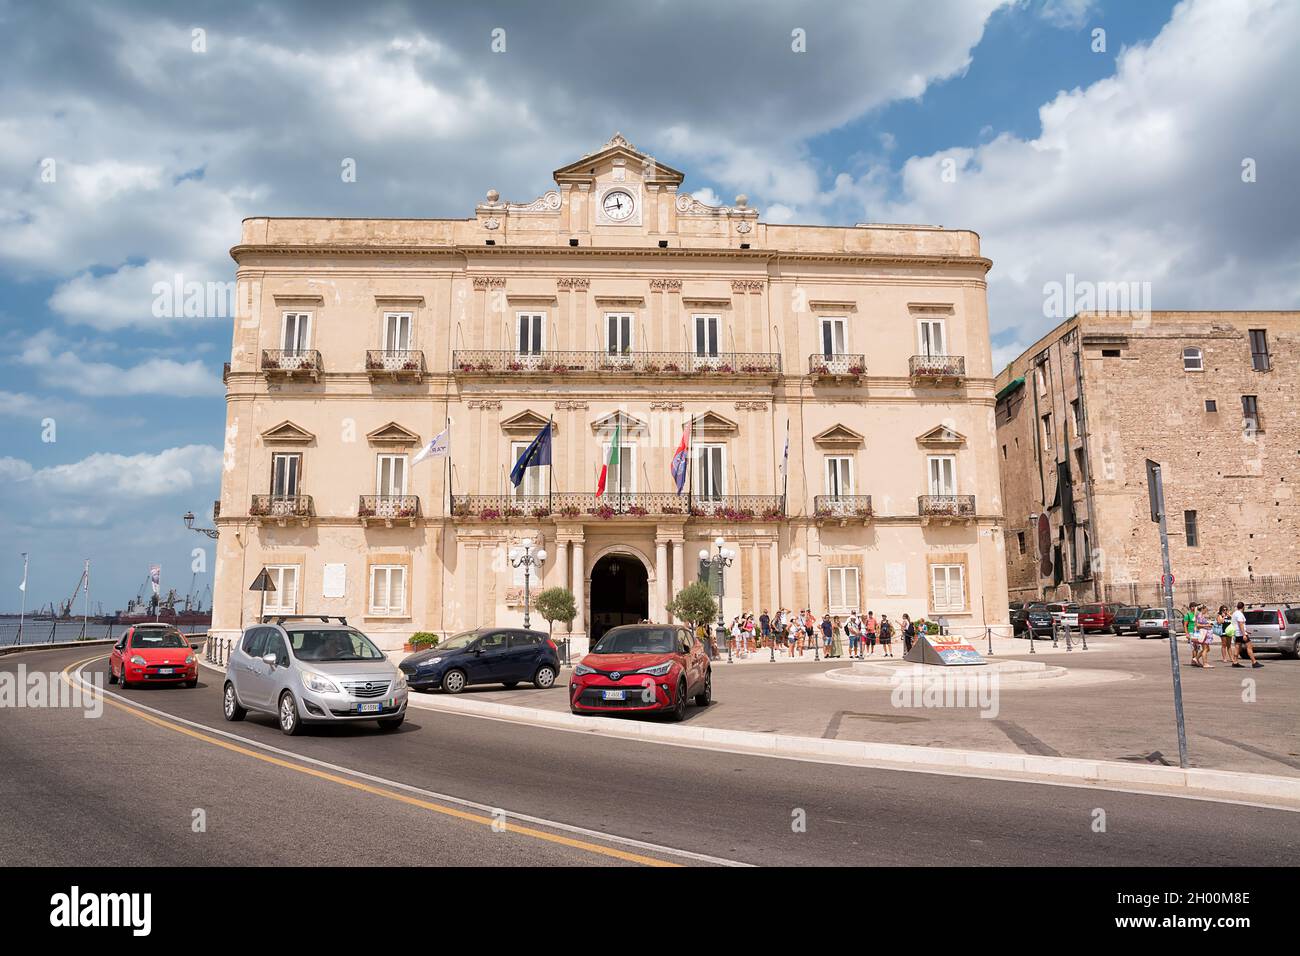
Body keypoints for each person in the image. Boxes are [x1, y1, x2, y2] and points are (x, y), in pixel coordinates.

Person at [1231, 601, 1262, 668]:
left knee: (1237, 647)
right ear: (1243, 607)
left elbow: (1237, 625)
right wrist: (1244, 634)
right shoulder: (1239, 614)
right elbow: (1240, 624)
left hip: (1237, 633)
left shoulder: (1234, 613)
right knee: (1249, 646)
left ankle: (1235, 662)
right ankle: (1254, 662)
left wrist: (1246, 631)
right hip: (1241, 634)